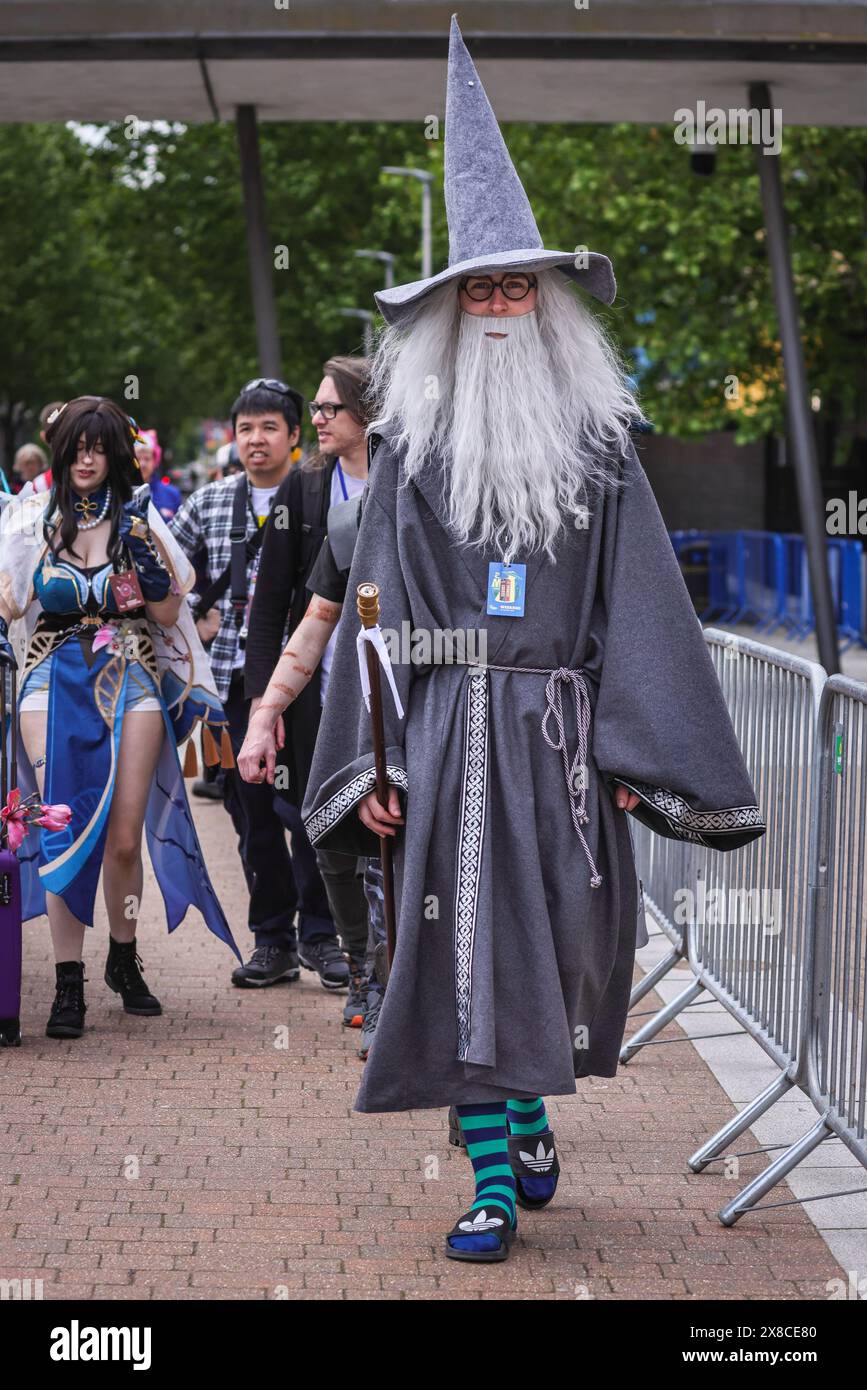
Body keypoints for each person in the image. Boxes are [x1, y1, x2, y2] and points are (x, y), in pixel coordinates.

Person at [301, 18, 765, 1264]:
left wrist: (636, 739)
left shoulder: (603, 453)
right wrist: (373, 759)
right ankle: (494, 1177)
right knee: (451, 952)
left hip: (559, 739)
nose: (499, 303)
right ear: (448, 312)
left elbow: (643, 601)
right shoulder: (407, 453)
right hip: (447, 732)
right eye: (479, 288)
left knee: (555, 948)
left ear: (549, 306)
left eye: (517, 285)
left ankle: (529, 1107)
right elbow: (374, 614)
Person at [0, 396, 239, 1039]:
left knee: (125, 836)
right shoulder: (30, 520)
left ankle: (124, 959)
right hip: (50, 677)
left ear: (115, 454)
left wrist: (148, 557)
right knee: (60, 824)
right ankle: (68, 982)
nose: (86, 459)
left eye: (98, 447)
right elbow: (11, 606)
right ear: (60, 451)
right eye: (76, 447)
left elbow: (166, 618)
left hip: (130, 675)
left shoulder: (139, 522)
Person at [170, 379, 342, 992]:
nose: (256, 440)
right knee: (252, 816)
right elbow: (164, 579)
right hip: (229, 686)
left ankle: (322, 935)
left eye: (270, 427)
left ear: (295, 436)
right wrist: (194, 612)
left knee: (312, 807)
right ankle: (272, 939)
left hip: (305, 682)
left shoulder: (323, 496)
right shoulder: (210, 503)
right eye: (246, 428)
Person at [242, 358, 374, 1024]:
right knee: (325, 828)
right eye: (315, 409)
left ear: (369, 413)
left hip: (404, 691)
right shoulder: (307, 487)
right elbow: (273, 608)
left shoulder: (415, 484)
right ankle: (357, 967)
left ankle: (388, 969)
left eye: (328, 409)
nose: (316, 420)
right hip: (322, 689)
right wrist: (271, 705)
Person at [237, 489, 386, 1057]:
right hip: (346, 717)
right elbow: (314, 622)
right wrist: (265, 715)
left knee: (397, 862)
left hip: (438, 718)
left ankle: (395, 994)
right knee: (332, 842)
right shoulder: (354, 520)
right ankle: (366, 976)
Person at [135, 431, 181, 521]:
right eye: (138, 458)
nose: (143, 464)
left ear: (155, 461)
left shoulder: (172, 494)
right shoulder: (121, 493)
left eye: (147, 459)